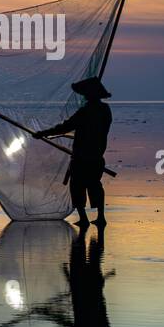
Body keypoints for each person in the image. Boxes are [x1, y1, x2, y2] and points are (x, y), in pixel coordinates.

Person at [34, 76, 112, 228]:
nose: (84, 96)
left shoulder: (86, 111)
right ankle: (100, 217)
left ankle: (84, 218)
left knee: (77, 185)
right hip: (97, 156)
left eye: (86, 93)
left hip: (83, 157)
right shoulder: (105, 110)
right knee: (95, 185)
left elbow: (66, 126)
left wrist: (43, 133)